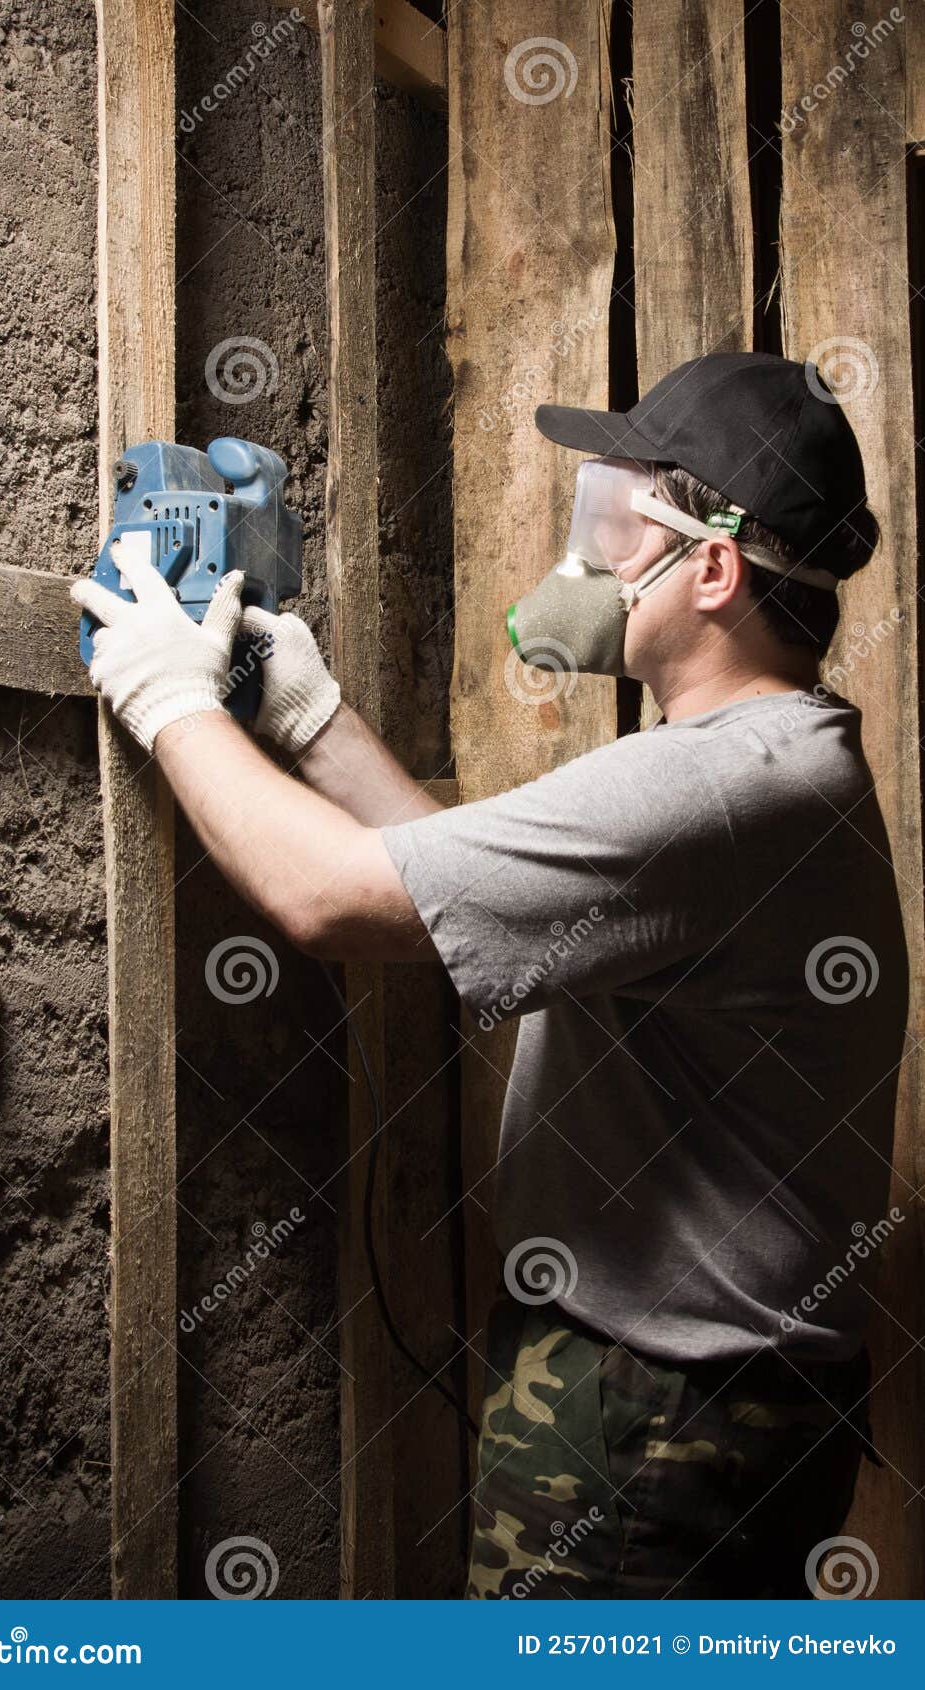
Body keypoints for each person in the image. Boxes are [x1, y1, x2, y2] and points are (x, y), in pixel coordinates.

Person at [72, 352, 908, 1599]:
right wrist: (308, 716)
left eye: (617, 524)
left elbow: (328, 896)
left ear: (715, 570)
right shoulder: (776, 761)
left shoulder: (711, 787)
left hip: (654, 1408)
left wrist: (163, 694)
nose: (589, 556)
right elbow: (460, 888)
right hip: (710, 1397)